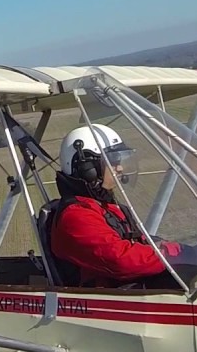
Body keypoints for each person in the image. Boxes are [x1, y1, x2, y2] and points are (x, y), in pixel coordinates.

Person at [47, 123, 181, 288]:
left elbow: (137, 238)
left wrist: (168, 246)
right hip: (110, 301)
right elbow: (121, 260)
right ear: (87, 169)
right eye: (112, 161)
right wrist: (175, 253)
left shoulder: (104, 206)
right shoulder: (76, 215)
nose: (120, 168)